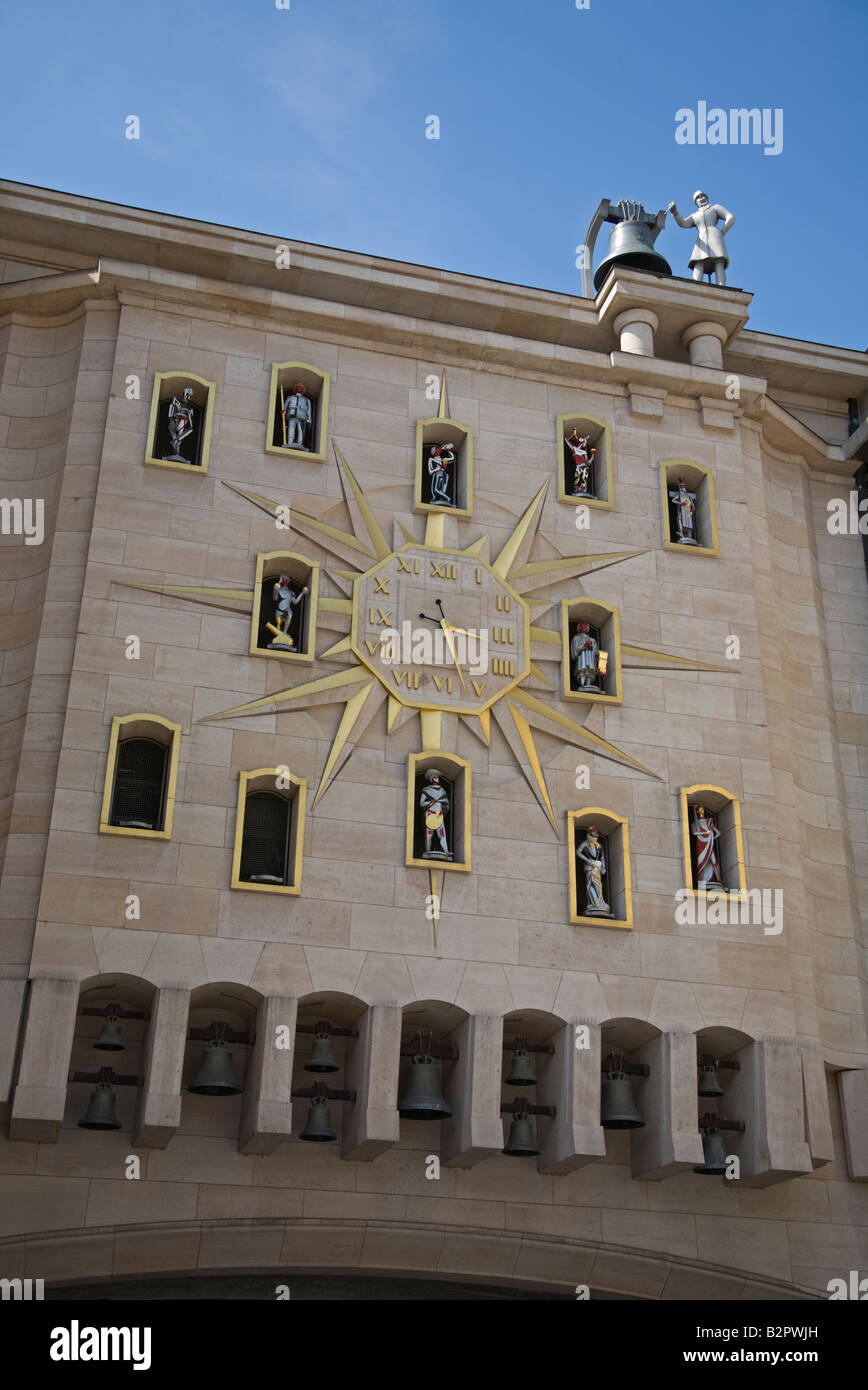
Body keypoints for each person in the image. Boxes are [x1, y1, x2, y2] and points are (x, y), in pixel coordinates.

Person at [667, 191, 735, 286]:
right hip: (702, 238)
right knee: (698, 262)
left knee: (719, 261)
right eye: (698, 197)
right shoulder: (695, 215)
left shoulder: (715, 208)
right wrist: (675, 212)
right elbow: (683, 223)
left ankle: (722, 286)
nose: (701, 198)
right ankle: (695, 285)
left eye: (702, 196)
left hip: (715, 236)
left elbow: (730, 217)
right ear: (696, 202)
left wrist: (723, 231)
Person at [576, 825, 612, 915]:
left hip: (597, 868)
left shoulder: (599, 846)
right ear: (589, 836)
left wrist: (603, 867)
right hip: (589, 868)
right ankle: (594, 903)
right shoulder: (585, 843)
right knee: (590, 884)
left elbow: (602, 857)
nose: (595, 838)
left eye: (596, 837)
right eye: (593, 836)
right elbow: (578, 852)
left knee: (598, 885)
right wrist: (588, 860)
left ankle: (600, 903)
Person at [269, 575, 308, 649]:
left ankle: (285, 632)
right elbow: (275, 598)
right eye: (285, 579)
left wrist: (302, 593)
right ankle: (279, 633)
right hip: (279, 610)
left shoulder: (291, 592)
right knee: (278, 625)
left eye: (287, 579)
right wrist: (276, 589)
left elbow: (295, 602)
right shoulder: (279, 590)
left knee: (289, 616)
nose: (286, 581)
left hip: (288, 610)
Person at [420, 769, 451, 858]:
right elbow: (422, 803)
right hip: (429, 814)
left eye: (437, 776)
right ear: (431, 778)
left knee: (442, 834)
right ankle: (427, 852)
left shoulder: (442, 791)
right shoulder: (426, 790)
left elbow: (446, 804)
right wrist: (430, 802)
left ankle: (446, 852)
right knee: (429, 835)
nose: (436, 778)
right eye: (435, 776)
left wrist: (443, 810)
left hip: (439, 815)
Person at [691, 805, 724, 889]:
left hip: (709, 844)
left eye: (702, 809)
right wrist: (706, 833)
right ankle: (701, 881)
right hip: (701, 845)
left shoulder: (709, 822)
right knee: (702, 863)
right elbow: (694, 833)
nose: (701, 810)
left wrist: (711, 837)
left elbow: (718, 833)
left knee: (714, 862)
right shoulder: (695, 823)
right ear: (697, 812)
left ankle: (719, 879)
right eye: (699, 809)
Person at [164, 386, 197, 463]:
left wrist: (179, 438)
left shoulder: (190, 409)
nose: (188, 397)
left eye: (190, 396)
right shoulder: (176, 401)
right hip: (174, 421)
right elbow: (171, 411)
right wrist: (171, 420)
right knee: (174, 437)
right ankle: (176, 443)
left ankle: (177, 443)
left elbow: (191, 426)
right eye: (188, 395)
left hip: (182, 424)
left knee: (177, 440)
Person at [570, 619, 600, 690]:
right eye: (582, 626)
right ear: (579, 627)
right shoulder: (576, 638)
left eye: (585, 626)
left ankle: (588, 685)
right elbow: (575, 650)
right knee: (582, 671)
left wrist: (599, 656)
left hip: (590, 659)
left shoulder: (592, 640)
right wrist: (584, 646)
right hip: (582, 658)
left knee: (589, 672)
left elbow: (596, 652)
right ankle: (582, 684)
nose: (584, 628)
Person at [565, 430, 596, 497]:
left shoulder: (584, 452)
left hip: (584, 468)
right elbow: (566, 439)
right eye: (584, 441)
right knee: (578, 481)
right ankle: (577, 491)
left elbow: (588, 462)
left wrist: (593, 456)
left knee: (583, 482)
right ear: (582, 442)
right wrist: (572, 435)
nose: (585, 443)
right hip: (579, 467)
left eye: (585, 442)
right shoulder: (574, 449)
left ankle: (582, 491)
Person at [283, 382, 313, 449]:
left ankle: (300, 443)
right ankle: (290, 442)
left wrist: (309, 420)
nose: (299, 388)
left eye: (301, 388)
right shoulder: (290, 397)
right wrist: (283, 411)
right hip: (292, 415)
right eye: (298, 387)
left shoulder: (307, 400)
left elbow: (309, 411)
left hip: (302, 417)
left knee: (301, 431)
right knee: (291, 429)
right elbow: (285, 406)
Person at [668, 478, 697, 544]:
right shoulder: (679, 495)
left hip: (687, 513)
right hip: (681, 511)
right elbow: (673, 500)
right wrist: (681, 503)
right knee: (680, 520)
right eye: (681, 487)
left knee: (689, 524)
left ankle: (689, 536)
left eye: (683, 487)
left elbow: (693, 505)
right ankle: (682, 535)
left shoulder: (688, 496)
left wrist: (692, 509)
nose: (683, 488)